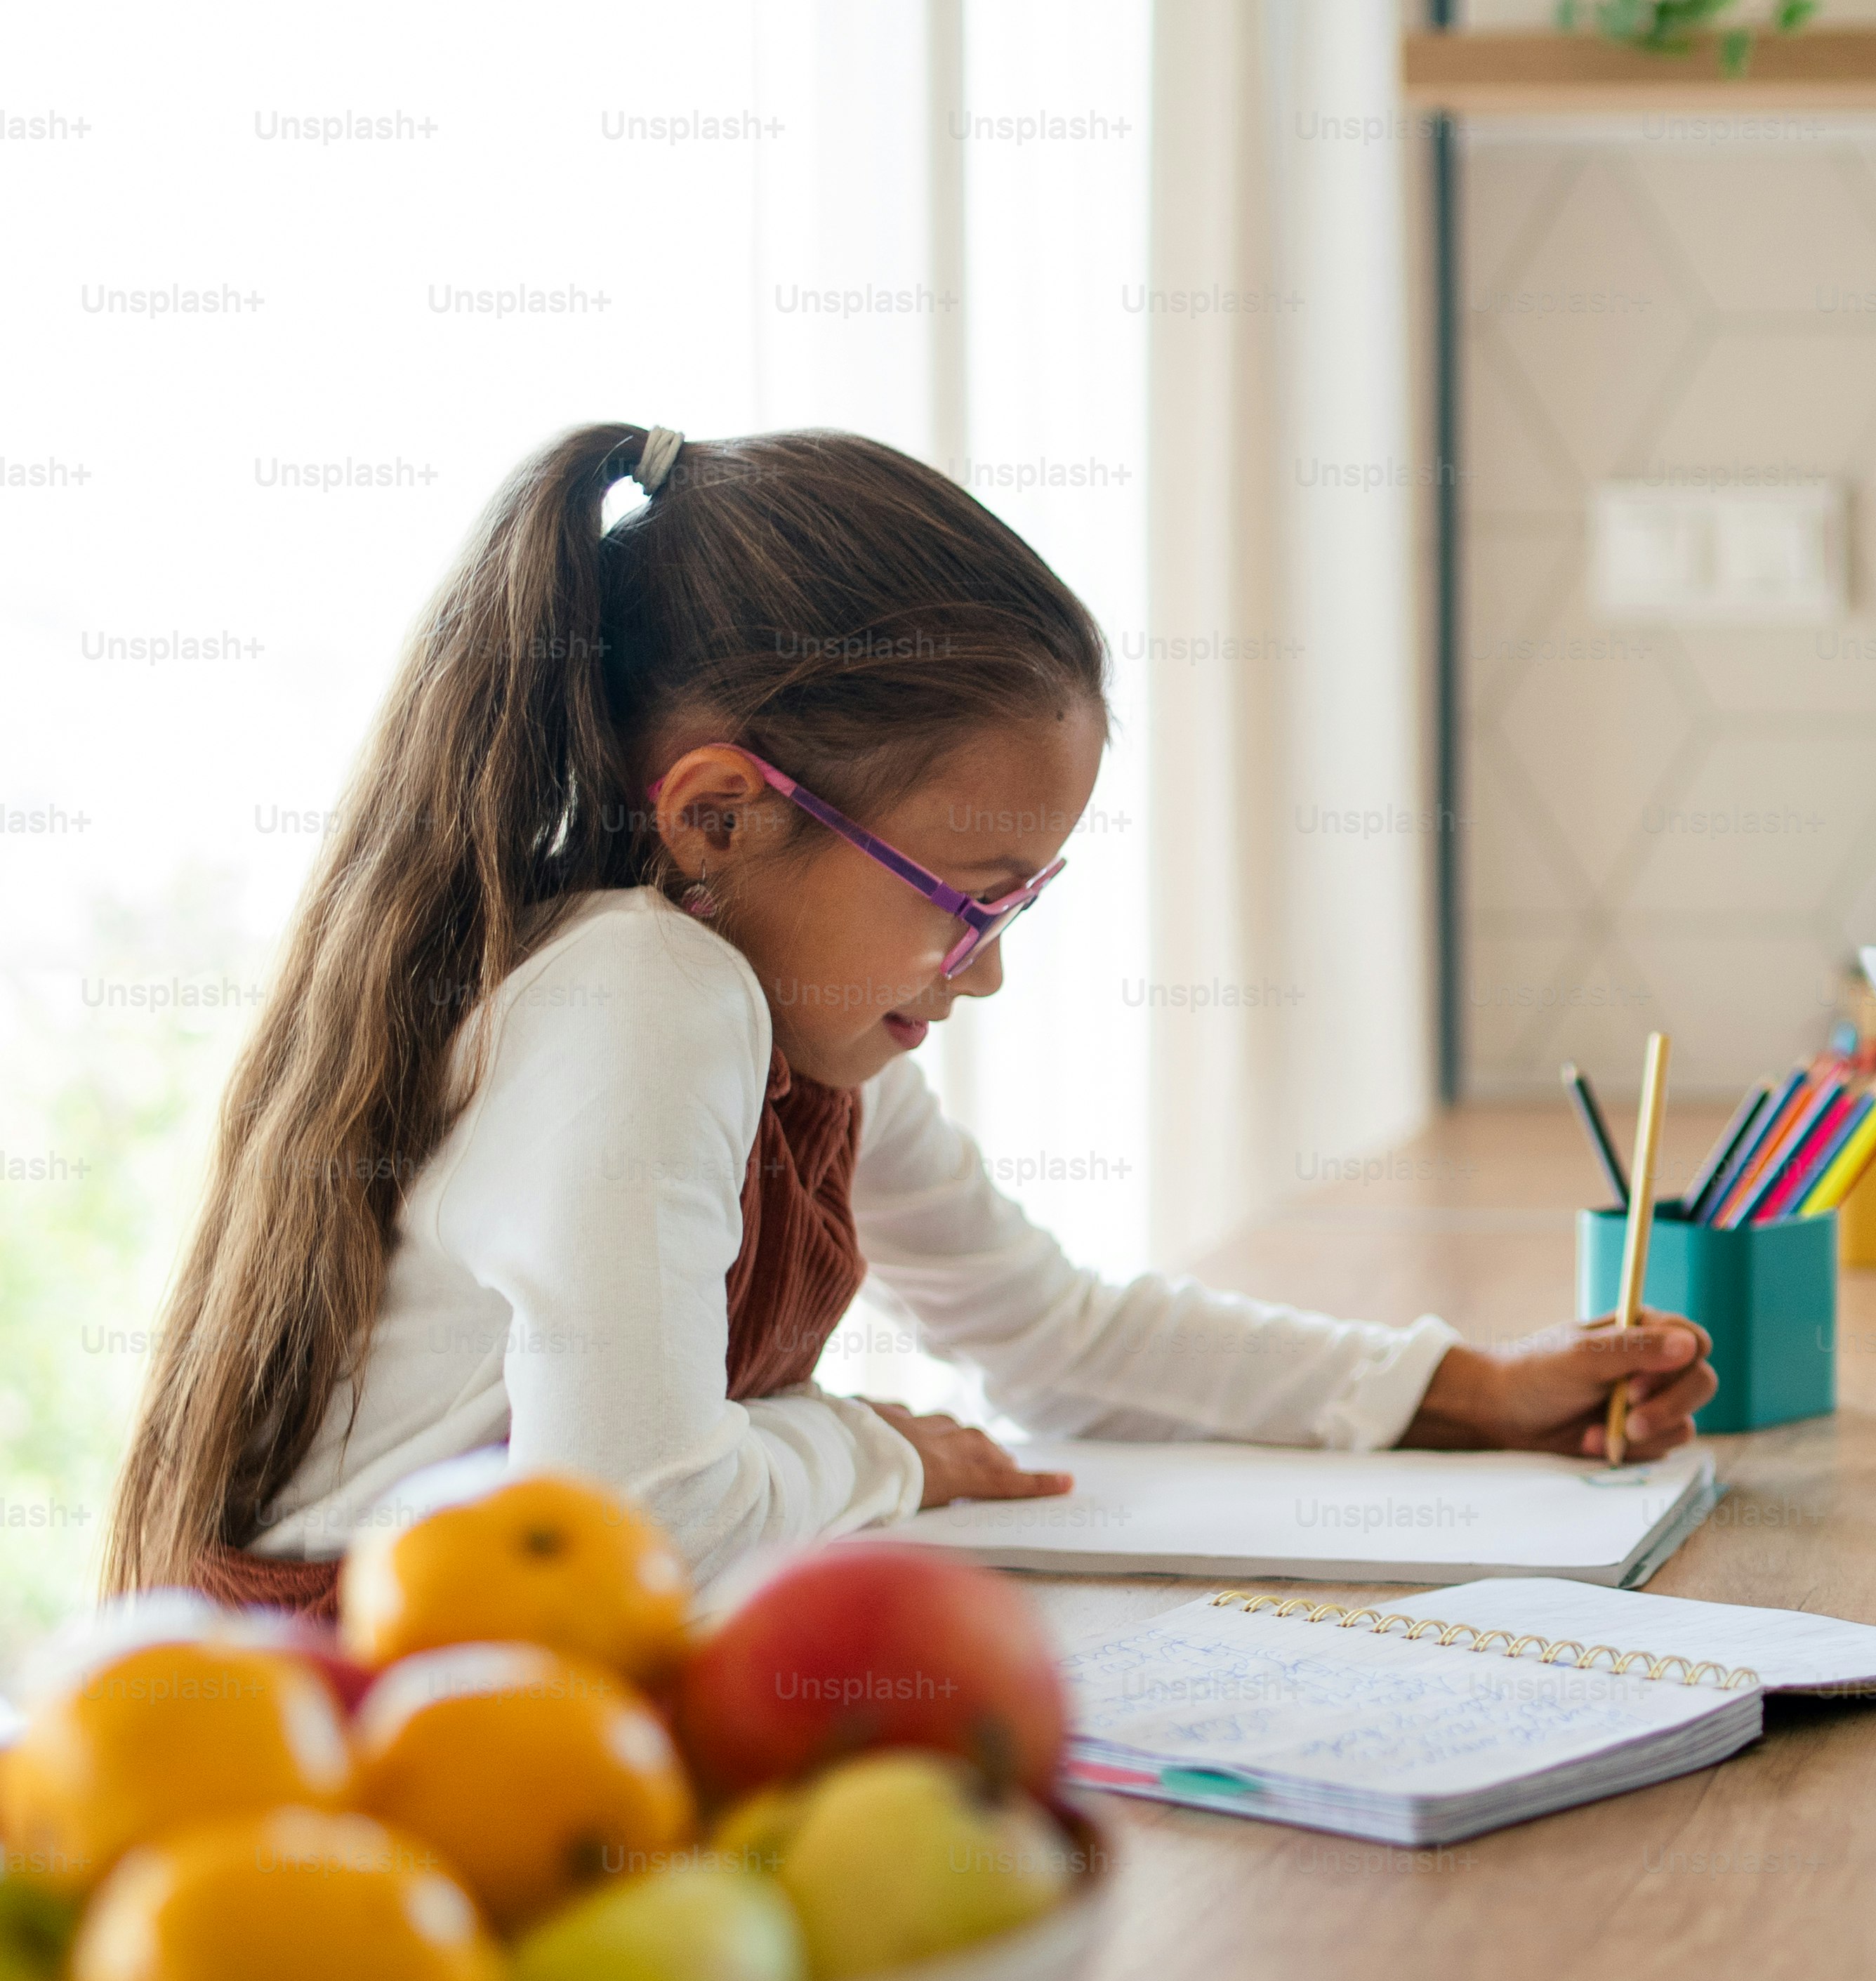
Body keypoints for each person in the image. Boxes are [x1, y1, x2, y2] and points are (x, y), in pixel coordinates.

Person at [110, 423, 1711, 1602]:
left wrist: (1470, 1390)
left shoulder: (782, 1021)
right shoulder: (644, 994)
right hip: (353, 1737)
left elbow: (1059, 1337)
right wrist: (883, 1451)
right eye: (970, 899)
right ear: (722, 817)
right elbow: (636, 1518)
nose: (988, 967)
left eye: (1023, 905)